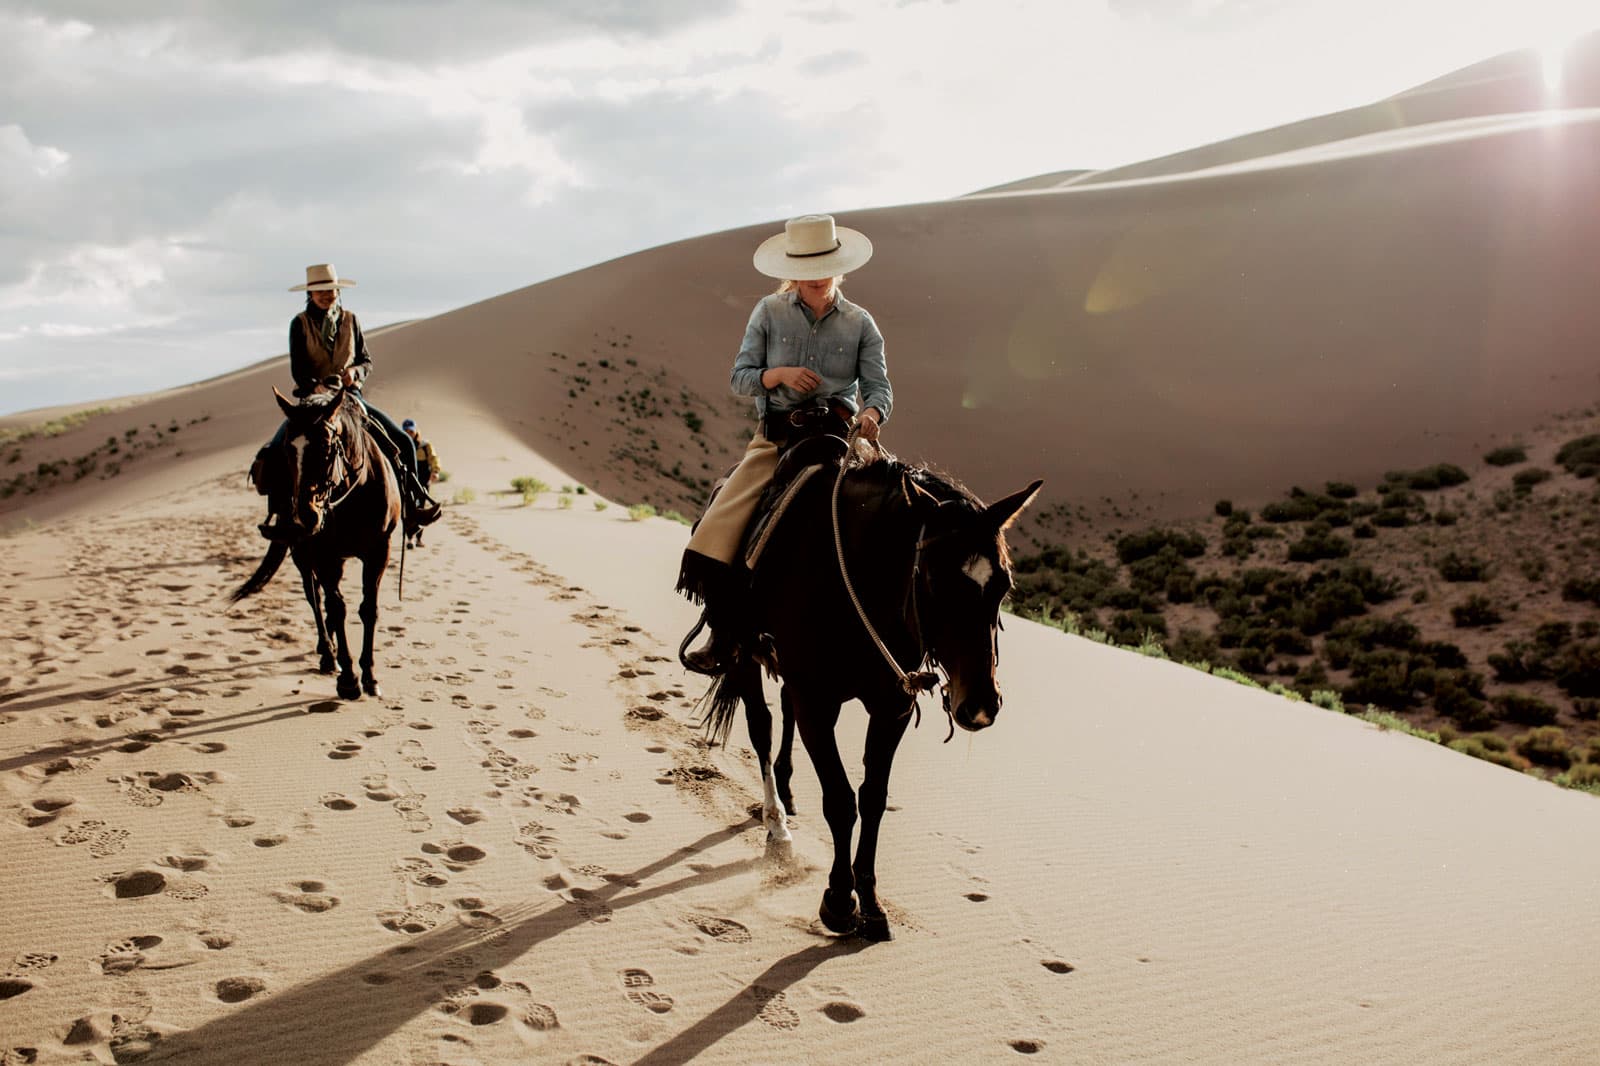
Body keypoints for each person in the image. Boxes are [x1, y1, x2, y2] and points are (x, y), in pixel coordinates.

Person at [677, 214, 892, 673]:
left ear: (839, 266)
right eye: (807, 271)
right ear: (792, 271)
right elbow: (740, 378)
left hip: (840, 439)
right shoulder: (768, 312)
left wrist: (872, 413)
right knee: (718, 525)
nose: (816, 280)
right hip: (777, 439)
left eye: (824, 269)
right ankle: (724, 633)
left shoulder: (860, 323)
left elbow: (879, 388)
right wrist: (777, 375)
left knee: (895, 521)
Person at [254, 264, 441, 540]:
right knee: (277, 449)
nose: (326, 295)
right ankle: (282, 516)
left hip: (349, 399)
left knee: (401, 441)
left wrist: (355, 373)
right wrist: (313, 384)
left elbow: (365, 361)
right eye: (319, 291)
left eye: (330, 290)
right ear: (310, 294)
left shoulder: (351, 320)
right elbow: (298, 369)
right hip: (312, 401)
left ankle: (412, 509)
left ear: (337, 291)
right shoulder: (299, 324)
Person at [402, 418, 441, 546]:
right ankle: (410, 538)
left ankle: (418, 539)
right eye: (406, 431)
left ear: (415, 431)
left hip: (423, 483)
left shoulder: (424, 445)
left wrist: (435, 471)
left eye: (411, 431)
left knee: (421, 509)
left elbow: (434, 458)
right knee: (409, 510)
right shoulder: (401, 444)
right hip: (408, 482)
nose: (409, 434)